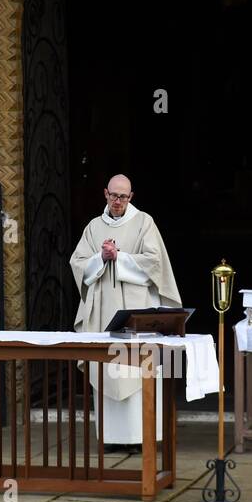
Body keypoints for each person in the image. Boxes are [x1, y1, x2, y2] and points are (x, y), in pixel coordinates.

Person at [69, 174, 182, 449]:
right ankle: (111, 437)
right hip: (103, 312)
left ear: (131, 197)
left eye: (123, 196)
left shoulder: (144, 222)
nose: (118, 201)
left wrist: (121, 258)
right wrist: (101, 258)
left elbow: (155, 263)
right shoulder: (94, 227)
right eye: (113, 195)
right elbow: (77, 263)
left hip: (136, 311)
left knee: (137, 369)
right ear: (105, 193)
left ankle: (140, 438)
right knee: (106, 367)